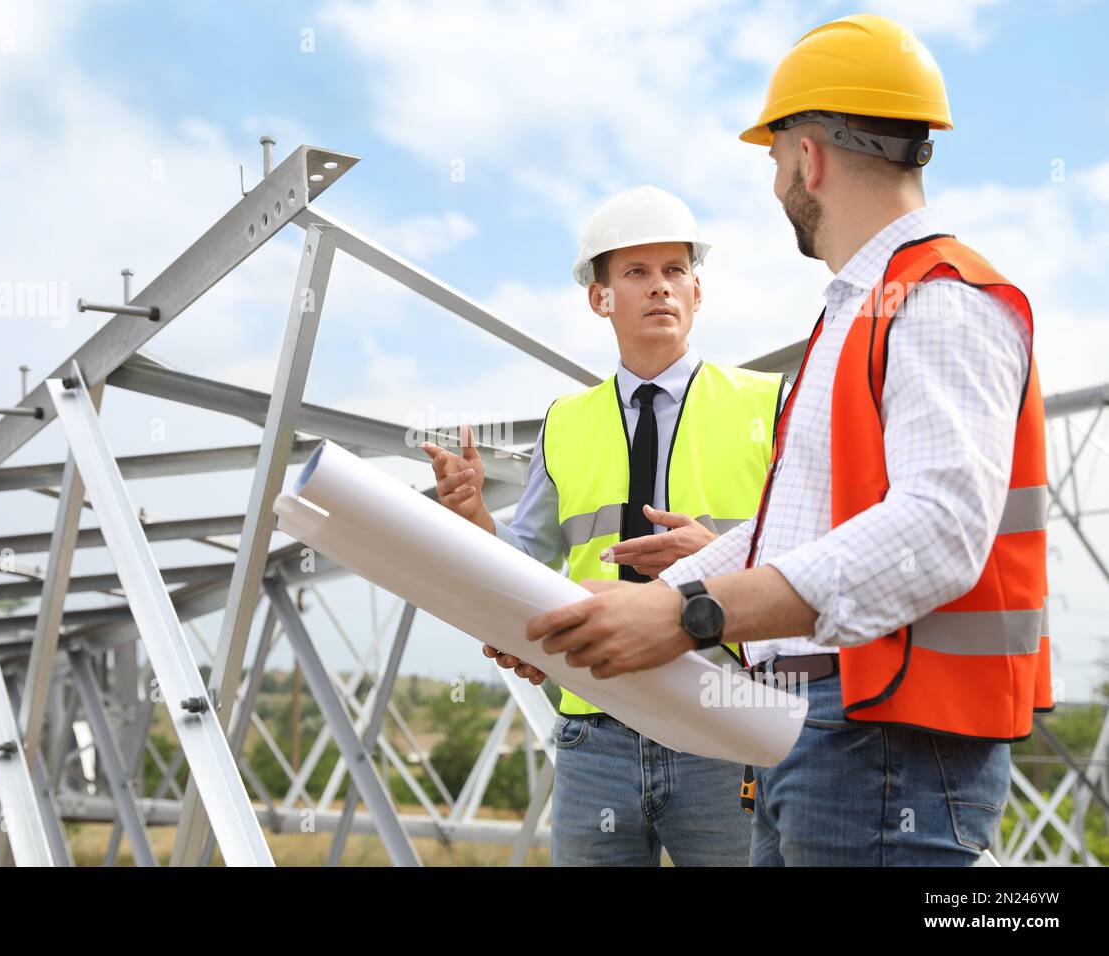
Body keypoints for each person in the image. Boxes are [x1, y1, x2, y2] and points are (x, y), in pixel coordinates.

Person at [520, 14, 1052, 865]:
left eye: (774, 159)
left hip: (890, 742)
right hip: (821, 735)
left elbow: (940, 529)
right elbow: (796, 536)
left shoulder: (937, 298)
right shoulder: (858, 314)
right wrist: (618, 615)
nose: (775, 185)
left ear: (809, 157)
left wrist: (689, 612)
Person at [422, 186, 785, 865]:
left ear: (698, 292)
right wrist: (472, 515)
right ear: (601, 297)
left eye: (675, 271)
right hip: (596, 732)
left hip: (723, 717)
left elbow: (809, 557)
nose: (660, 289)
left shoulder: (768, 403)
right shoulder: (566, 423)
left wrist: (714, 558)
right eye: (637, 273)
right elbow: (521, 564)